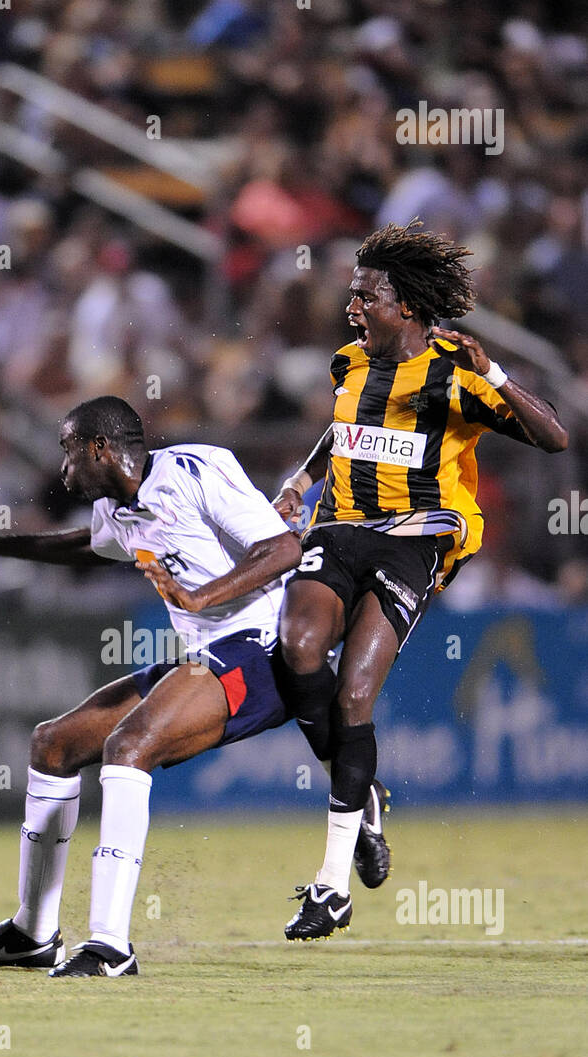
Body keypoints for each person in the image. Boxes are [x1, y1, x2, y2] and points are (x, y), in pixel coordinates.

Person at [140, 222, 568, 943]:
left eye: (365, 295)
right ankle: (361, 794)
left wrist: (494, 374)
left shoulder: (453, 377)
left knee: (356, 693)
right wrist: (303, 477)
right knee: (298, 645)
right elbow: (340, 433)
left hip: (417, 537)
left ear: (404, 306)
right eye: (353, 295)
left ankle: (332, 885)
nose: (353, 307)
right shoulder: (348, 364)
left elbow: (554, 437)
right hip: (340, 527)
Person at [0, 395, 303, 978]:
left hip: (263, 648)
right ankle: (33, 934)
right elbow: (89, 545)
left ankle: (110, 945)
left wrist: (200, 598)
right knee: (53, 745)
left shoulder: (195, 469)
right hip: (201, 655)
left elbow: (285, 548)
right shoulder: (116, 509)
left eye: (67, 451)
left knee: (126, 747)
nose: (62, 468)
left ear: (100, 449)